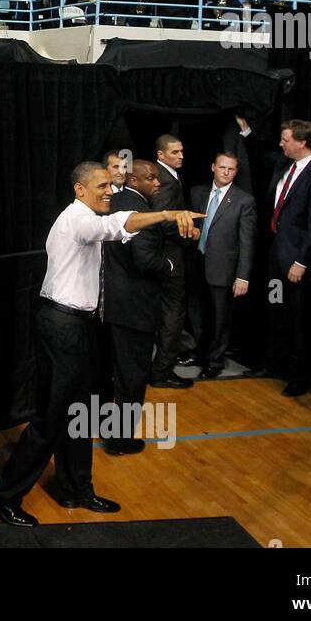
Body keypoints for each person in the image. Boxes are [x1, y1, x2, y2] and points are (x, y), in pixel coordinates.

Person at [0, 162, 202, 525]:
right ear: (80, 190)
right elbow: (116, 226)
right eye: (101, 187)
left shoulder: (88, 215)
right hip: (61, 325)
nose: (109, 192)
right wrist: (166, 213)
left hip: (80, 324)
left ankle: (75, 489)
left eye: (110, 186)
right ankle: (0, 494)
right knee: (51, 418)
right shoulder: (76, 219)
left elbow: (119, 223)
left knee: (78, 414)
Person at [247, 118, 311, 397]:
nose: (281, 143)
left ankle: (302, 376)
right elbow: (263, 154)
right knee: (277, 310)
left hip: (297, 263)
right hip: (276, 255)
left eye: (286, 140)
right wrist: (246, 130)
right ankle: (275, 364)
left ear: (302, 142)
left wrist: (302, 261)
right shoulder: (285, 163)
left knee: (300, 319)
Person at [98, 160, 175, 455]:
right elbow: (145, 260)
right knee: (132, 376)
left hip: (109, 303)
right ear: (134, 179)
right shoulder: (141, 211)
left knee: (111, 372)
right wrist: (168, 264)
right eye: (151, 178)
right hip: (134, 306)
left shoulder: (114, 200)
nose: (157, 183)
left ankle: (105, 426)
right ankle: (120, 440)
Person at [189, 152, 256, 379]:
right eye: (222, 167)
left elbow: (248, 242)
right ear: (213, 167)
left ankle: (214, 360)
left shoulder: (244, 200)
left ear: (236, 172)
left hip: (224, 268)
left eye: (231, 169)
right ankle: (199, 353)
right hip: (197, 262)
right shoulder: (198, 192)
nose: (226, 172)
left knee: (220, 317)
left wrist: (243, 276)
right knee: (197, 312)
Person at [150, 133, 193, 389]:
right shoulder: (166, 180)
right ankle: (162, 372)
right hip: (169, 256)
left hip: (164, 255)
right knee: (173, 314)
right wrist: (188, 236)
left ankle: (159, 368)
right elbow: (164, 220)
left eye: (182, 151)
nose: (181, 156)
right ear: (161, 155)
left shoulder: (167, 176)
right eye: (175, 152)